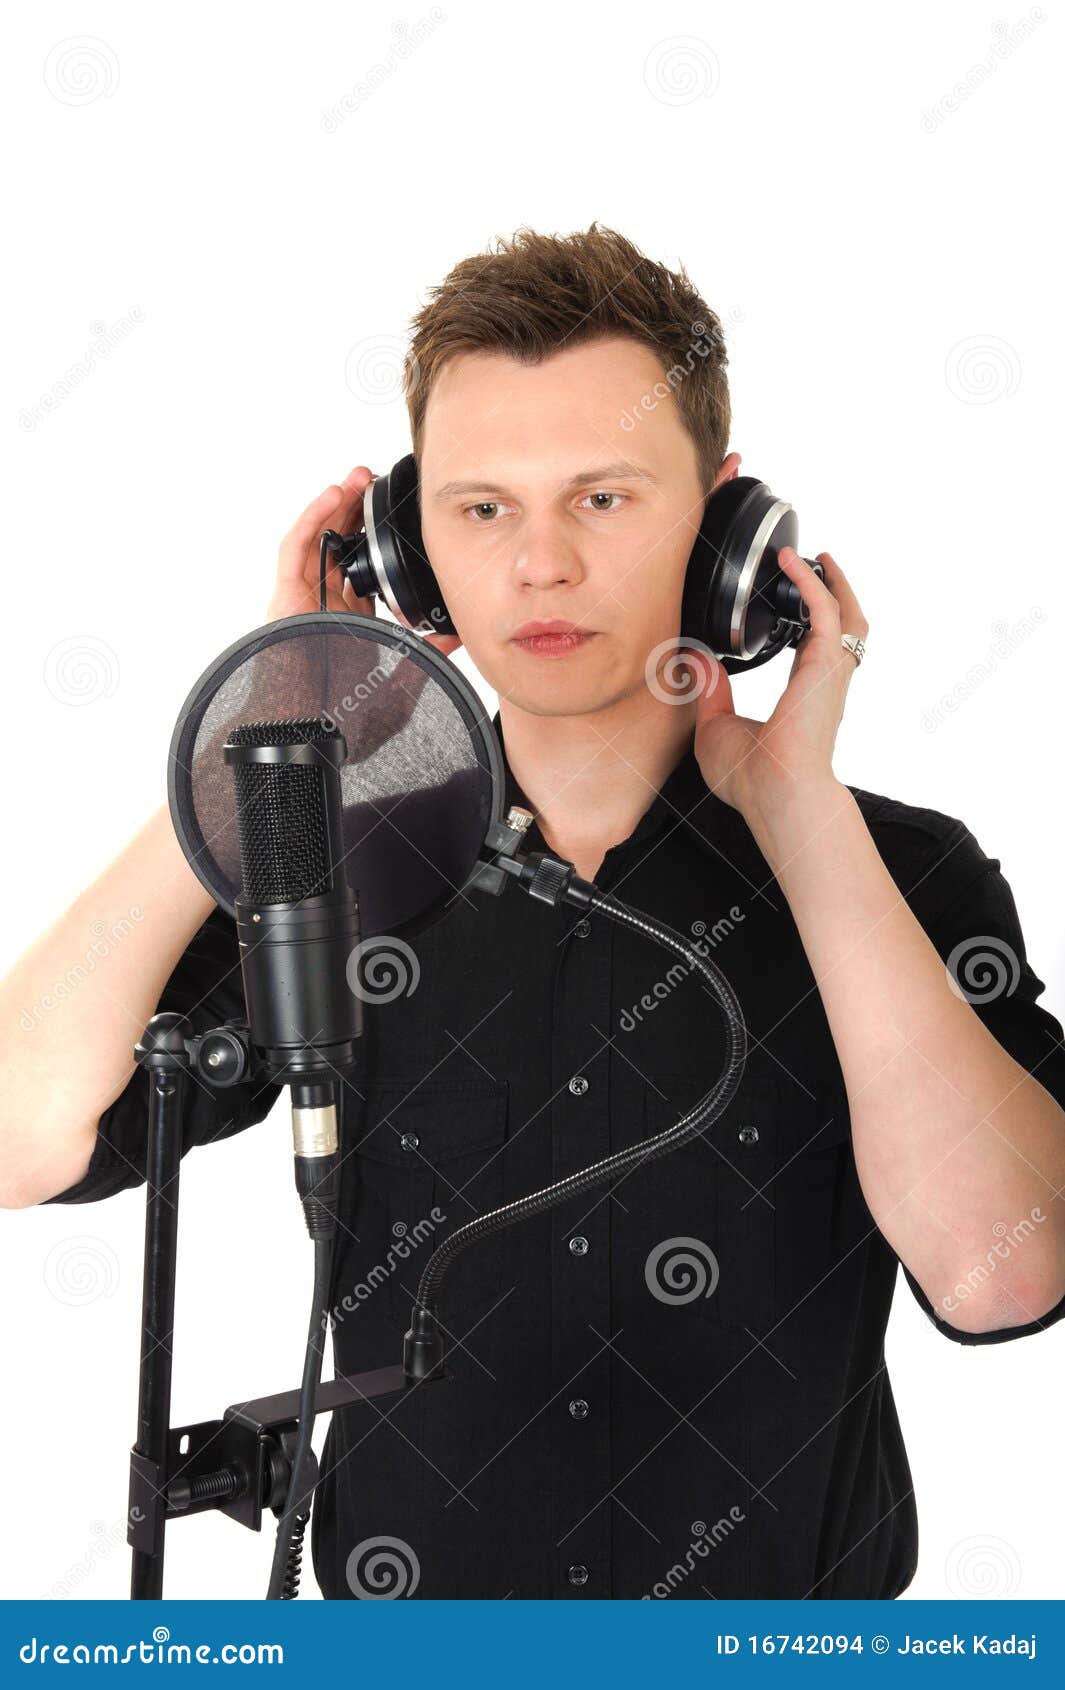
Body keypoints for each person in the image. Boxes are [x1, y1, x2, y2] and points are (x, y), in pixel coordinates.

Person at [4, 225, 1065, 1601]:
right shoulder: (337, 877)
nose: (539, 564)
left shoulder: (897, 875)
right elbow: (20, 1135)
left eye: (604, 499)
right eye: (482, 508)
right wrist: (264, 726)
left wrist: (799, 816)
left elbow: (1007, 1274)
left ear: (727, 529)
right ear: (412, 551)